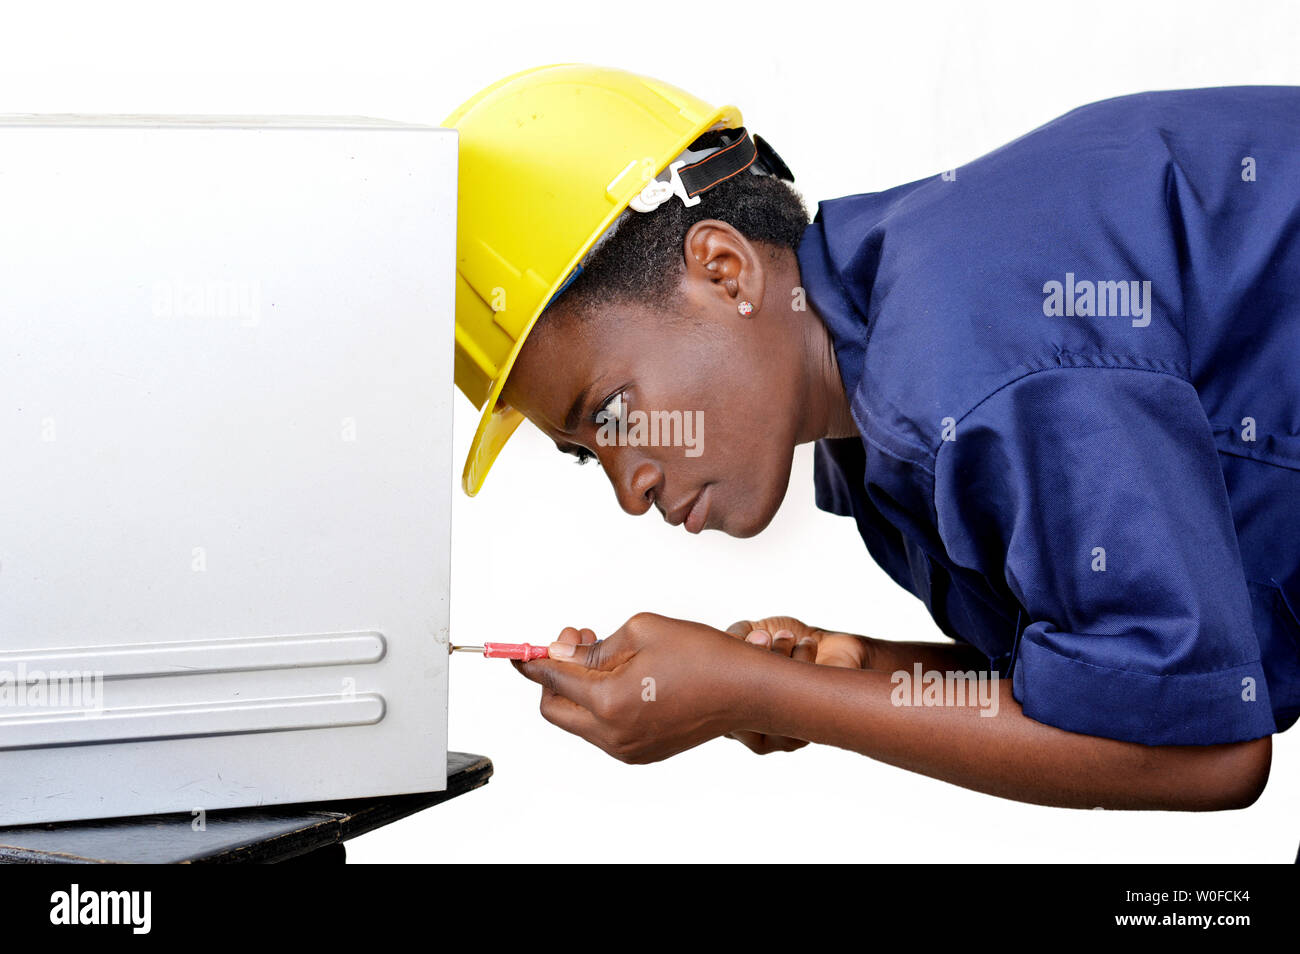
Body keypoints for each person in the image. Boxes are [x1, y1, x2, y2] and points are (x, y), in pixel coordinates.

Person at [444, 64, 1300, 810]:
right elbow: (1108, 688)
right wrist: (835, 674)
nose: (629, 489)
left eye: (612, 414)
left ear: (723, 271)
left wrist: (767, 693)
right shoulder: (882, 441)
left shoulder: (974, 352)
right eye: (585, 454)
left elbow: (1208, 748)